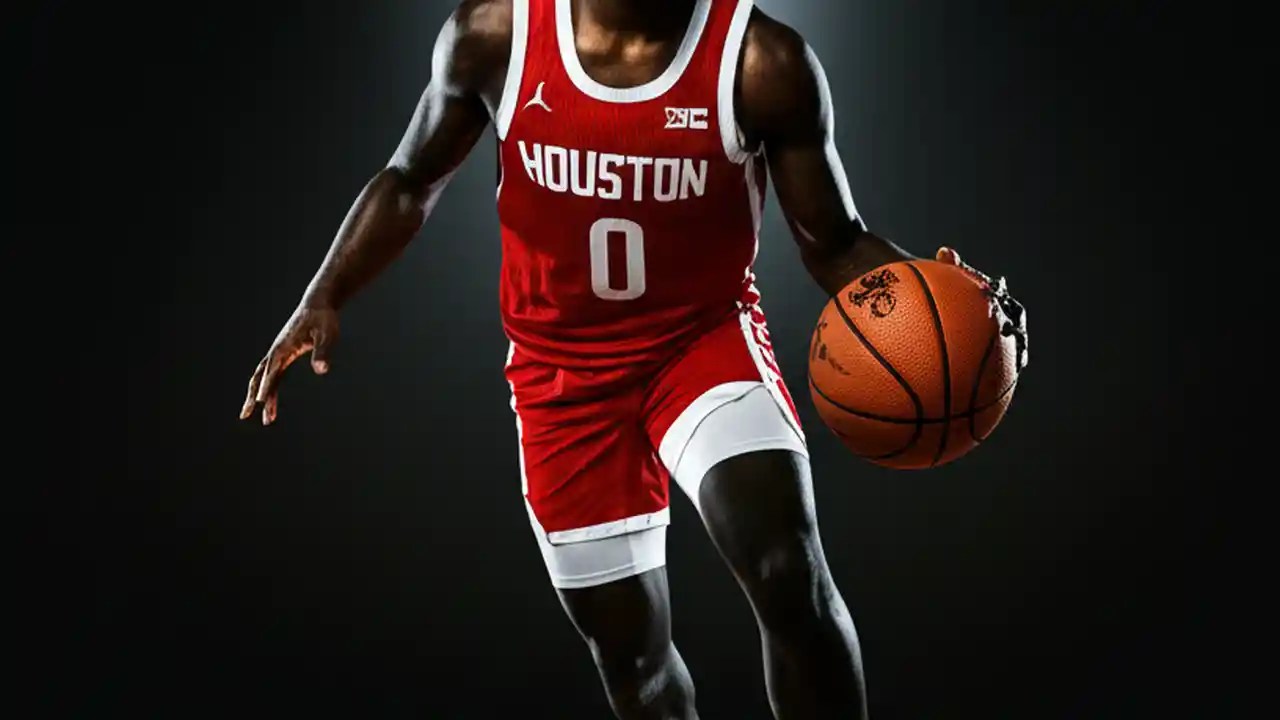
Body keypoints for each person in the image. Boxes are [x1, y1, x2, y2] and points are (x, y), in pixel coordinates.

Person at [239, 1, 1028, 717]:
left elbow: (834, 241)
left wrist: (950, 307)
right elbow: (410, 179)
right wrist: (323, 294)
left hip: (701, 344)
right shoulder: (495, 36)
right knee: (636, 665)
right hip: (560, 378)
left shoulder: (760, 63)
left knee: (786, 566)